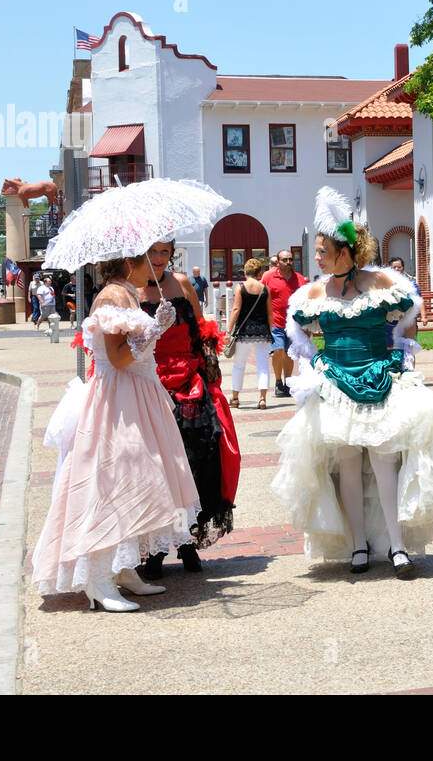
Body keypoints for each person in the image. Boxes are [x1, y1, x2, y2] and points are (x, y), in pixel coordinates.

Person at [272, 187, 433, 577]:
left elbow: (410, 307)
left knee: (383, 459)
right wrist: (316, 363)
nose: (318, 257)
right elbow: (296, 331)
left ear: (344, 252)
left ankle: (397, 546)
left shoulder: (380, 281)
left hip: (380, 375)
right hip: (336, 382)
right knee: (345, 461)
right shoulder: (313, 291)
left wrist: (399, 342)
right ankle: (358, 545)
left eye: (323, 250)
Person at [31, 255, 200, 611]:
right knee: (112, 483)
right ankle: (98, 578)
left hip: (136, 394)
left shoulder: (127, 293)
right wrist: (156, 328)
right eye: (146, 260)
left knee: (138, 480)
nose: (154, 265)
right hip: (116, 399)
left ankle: (124, 569)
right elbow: (118, 356)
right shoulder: (110, 297)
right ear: (128, 265)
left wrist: (157, 325)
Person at [137, 240, 241, 577]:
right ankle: (155, 552)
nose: (158, 258)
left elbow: (202, 331)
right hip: (149, 386)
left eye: (164, 252)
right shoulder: (131, 289)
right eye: (152, 251)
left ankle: (186, 543)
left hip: (188, 387)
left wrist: (210, 370)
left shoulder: (182, 284)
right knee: (156, 472)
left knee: (191, 468)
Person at [226, 257, 273, 409]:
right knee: (263, 366)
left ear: (245, 272)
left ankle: (235, 398)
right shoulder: (265, 289)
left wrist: (228, 330)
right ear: (259, 273)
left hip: (244, 332)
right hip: (262, 331)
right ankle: (262, 399)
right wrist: (269, 331)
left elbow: (236, 309)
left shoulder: (240, 287)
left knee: (239, 365)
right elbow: (270, 313)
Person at [263, 248, 308, 398]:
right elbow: (261, 297)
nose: (288, 262)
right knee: (278, 350)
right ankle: (278, 382)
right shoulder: (268, 277)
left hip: (293, 324)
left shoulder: (300, 279)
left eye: (290, 259)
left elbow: (306, 301)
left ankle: (287, 383)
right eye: (285, 260)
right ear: (278, 262)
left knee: (289, 354)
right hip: (275, 322)